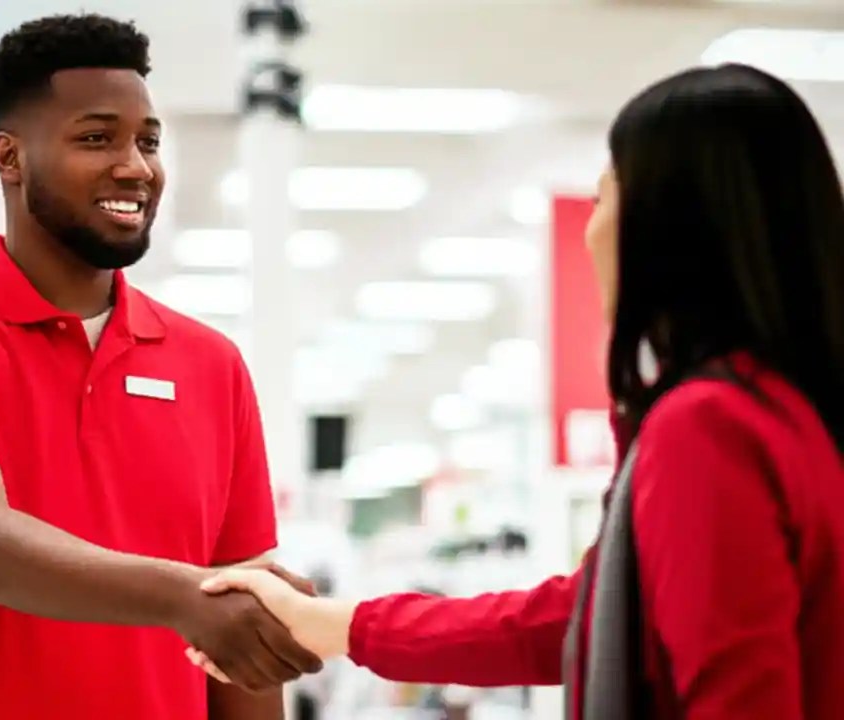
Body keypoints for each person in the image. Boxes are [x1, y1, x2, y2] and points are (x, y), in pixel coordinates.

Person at [190, 63, 844, 719]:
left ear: (666, 227)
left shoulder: (707, 427)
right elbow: (573, 619)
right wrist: (331, 624)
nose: (592, 230)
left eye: (602, 198)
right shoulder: (793, 416)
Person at [0, 13, 320, 720]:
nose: (134, 166)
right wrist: (182, 599)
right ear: (9, 158)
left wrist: (219, 609)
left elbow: (239, 636)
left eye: (148, 141)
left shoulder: (211, 367)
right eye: (96, 138)